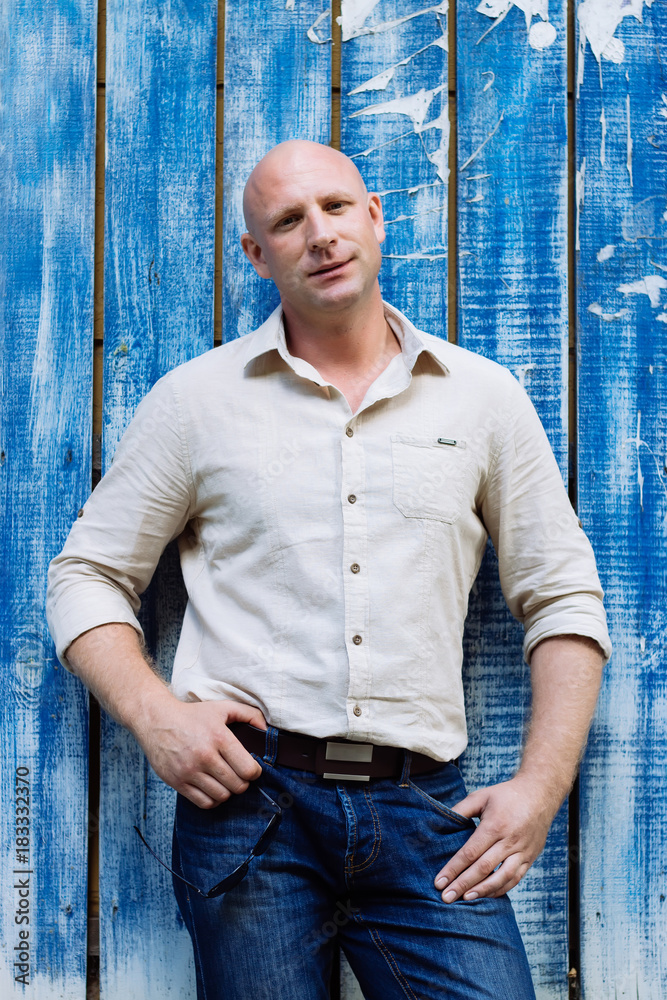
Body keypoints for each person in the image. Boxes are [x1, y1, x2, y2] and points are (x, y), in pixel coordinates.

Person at [47, 140, 611, 1000]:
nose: (319, 234)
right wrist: (156, 716)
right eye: (287, 220)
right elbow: (85, 573)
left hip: (429, 817)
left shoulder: (482, 398)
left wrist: (540, 786)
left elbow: (563, 594)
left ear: (375, 218)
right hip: (252, 810)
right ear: (256, 254)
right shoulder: (197, 402)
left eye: (336, 207)